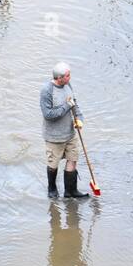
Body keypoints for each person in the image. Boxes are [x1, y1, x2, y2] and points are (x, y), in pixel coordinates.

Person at [40, 61, 89, 199]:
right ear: (59, 78)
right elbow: (48, 115)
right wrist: (67, 106)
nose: (70, 77)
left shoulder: (68, 85)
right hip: (54, 137)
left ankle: (70, 191)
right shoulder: (46, 91)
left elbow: (74, 104)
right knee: (53, 164)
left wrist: (79, 119)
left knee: (72, 159)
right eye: (67, 75)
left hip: (70, 134)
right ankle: (52, 188)